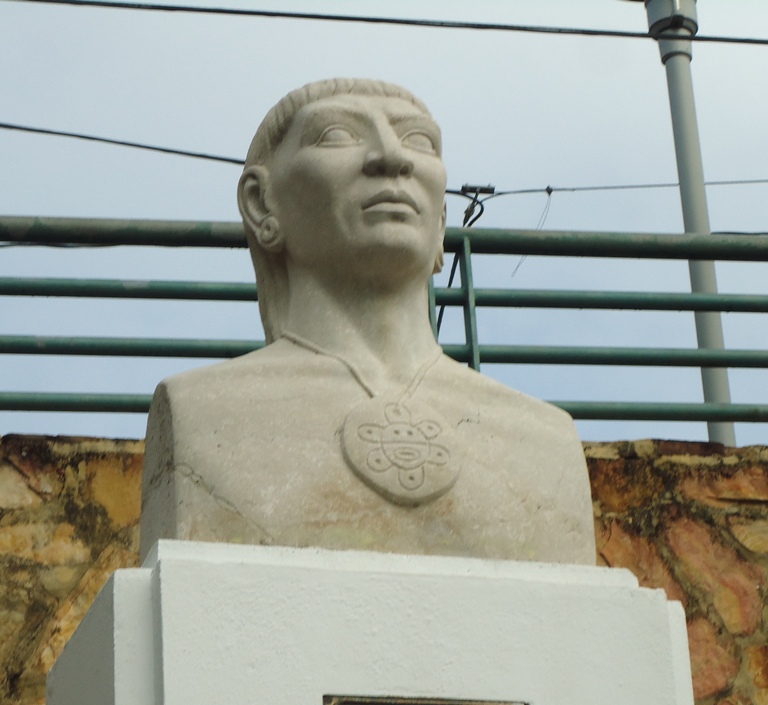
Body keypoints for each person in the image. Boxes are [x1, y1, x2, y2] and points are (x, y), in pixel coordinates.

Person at [140, 78, 596, 565]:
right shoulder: (206, 416)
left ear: (442, 218)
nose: (391, 157)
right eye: (336, 134)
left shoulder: (543, 441)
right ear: (261, 204)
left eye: (419, 140)